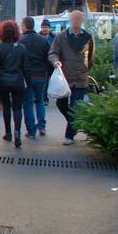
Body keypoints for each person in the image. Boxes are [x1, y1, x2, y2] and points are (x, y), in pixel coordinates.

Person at [48, 8, 94, 145]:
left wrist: (86, 69)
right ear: (70, 21)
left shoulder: (87, 37)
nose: (76, 22)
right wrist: (55, 61)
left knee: (75, 106)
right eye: (74, 19)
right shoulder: (61, 37)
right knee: (60, 103)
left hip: (80, 79)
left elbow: (91, 57)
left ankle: (69, 135)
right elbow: (52, 52)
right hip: (65, 78)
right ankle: (74, 123)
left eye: (79, 19)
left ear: (82, 21)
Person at [0, 20, 26, 146]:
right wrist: (29, 83)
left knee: (6, 107)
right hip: (18, 81)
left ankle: (8, 133)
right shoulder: (21, 48)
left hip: (3, 81)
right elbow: (25, 67)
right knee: (17, 108)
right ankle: (17, 132)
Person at [19, 16, 52, 138]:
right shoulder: (43, 41)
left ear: (25, 25)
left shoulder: (21, 41)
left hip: (27, 77)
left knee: (28, 103)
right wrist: (48, 73)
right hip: (41, 75)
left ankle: (31, 131)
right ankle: (42, 126)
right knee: (40, 101)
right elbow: (49, 58)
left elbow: (19, 60)